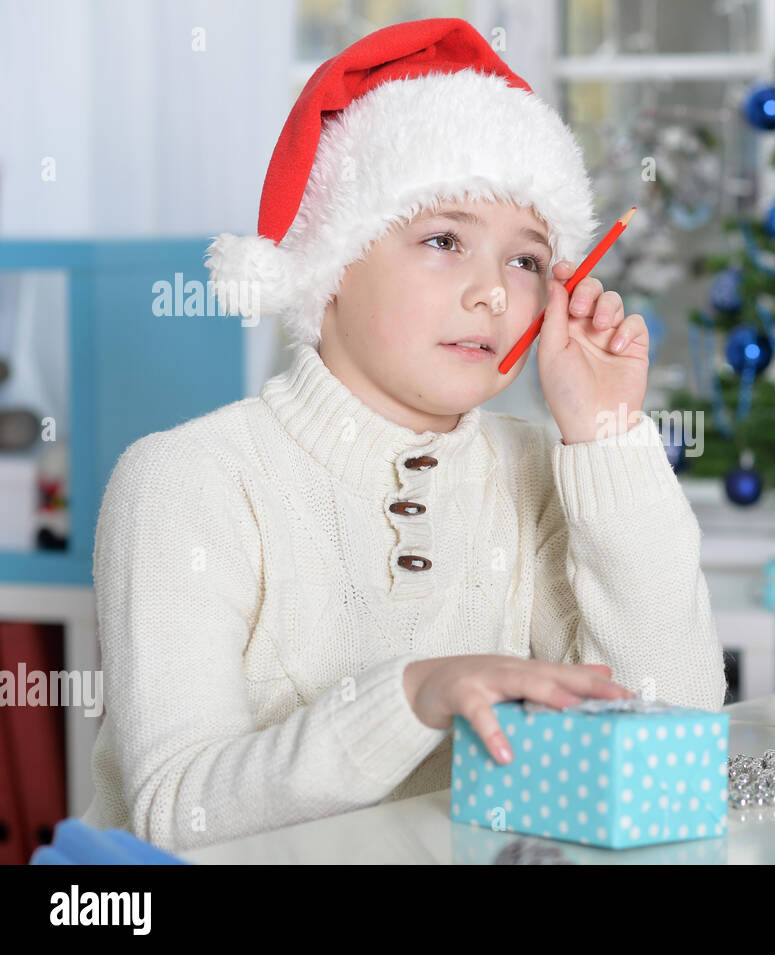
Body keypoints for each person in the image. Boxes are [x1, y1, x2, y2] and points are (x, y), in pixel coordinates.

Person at [81, 18, 726, 853]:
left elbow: (671, 719)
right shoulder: (187, 479)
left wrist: (607, 436)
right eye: (443, 240)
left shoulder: (538, 467)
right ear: (329, 263)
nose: (494, 292)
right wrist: (412, 695)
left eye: (528, 260)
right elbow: (178, 809)